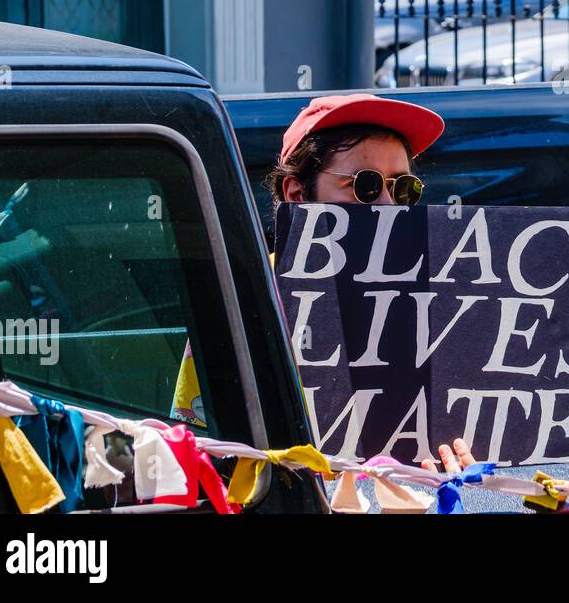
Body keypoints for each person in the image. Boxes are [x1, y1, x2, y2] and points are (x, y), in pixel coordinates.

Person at [174, 93, 476, 475]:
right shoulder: (243, 303)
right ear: (298, 196)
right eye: (364, 186)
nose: (388, 205)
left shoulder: (453, 296)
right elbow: (200, 459)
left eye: (403, 188)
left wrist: (470, 476)